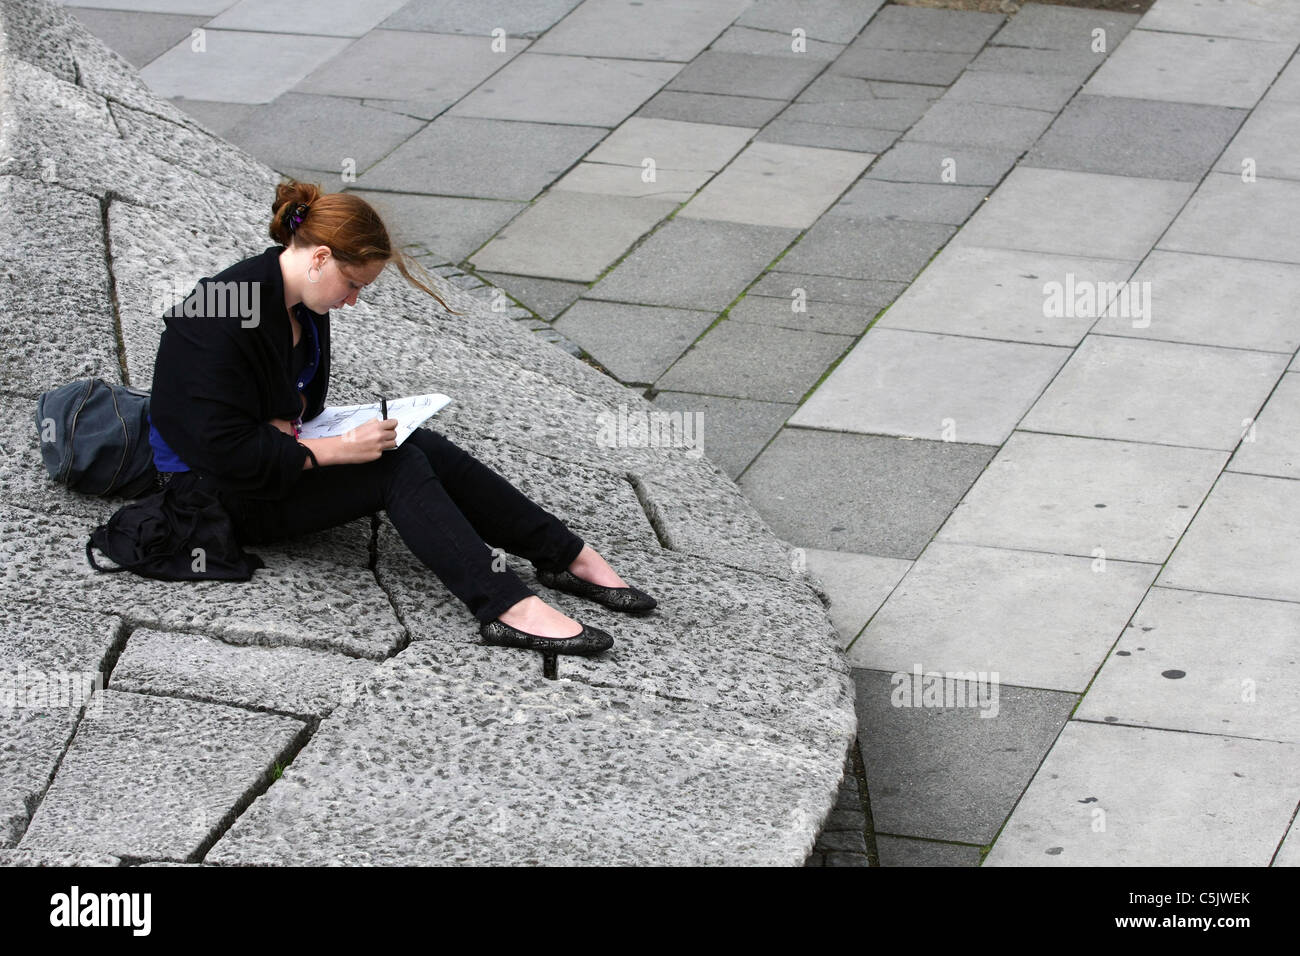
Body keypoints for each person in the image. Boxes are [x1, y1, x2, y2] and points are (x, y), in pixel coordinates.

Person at [146, 180, 655, 657]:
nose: (352, 300)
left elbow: (292, 404)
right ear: (320, 257)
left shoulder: (301, 299)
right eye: (351, 284)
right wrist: (332, 449)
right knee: (396, 467)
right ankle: (505, 607)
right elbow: (218, 450)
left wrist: (302, 429)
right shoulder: (217, 309)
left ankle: (566, 557)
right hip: (212, 496)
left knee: (422, 445)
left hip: (270, 462)